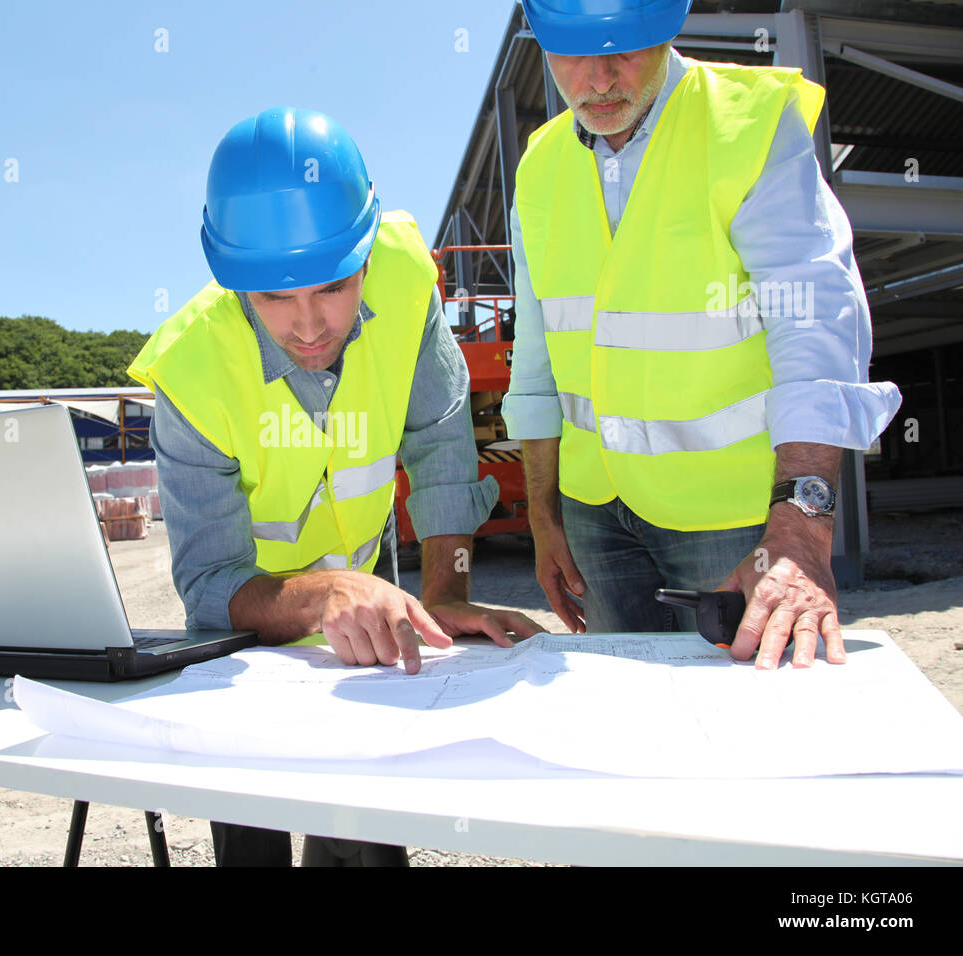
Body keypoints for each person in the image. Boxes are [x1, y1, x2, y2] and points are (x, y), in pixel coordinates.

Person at [129, 106, 543, 866]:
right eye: (273, 297)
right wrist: (324, 593)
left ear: (364, 255)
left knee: (367, 836)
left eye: (331, 287)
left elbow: (441, 445)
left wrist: (447, 589)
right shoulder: (189, 373)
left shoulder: (407, 281)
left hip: (369, 604)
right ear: (233, 281)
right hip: (247, 631)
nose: (309, 326)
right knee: (250, 836)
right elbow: (210, 585)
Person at [503, 0, 901, 669]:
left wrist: (801, 525)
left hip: (732, 515)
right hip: (594, 513)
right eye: (573, 53)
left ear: (667, 30)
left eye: (623, 50)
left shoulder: (746, 123)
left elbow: (812, 317)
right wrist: (543, 518)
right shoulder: (539, 165)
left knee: (743, 704)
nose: (598, 80)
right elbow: (538, 359)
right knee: (618, 700)